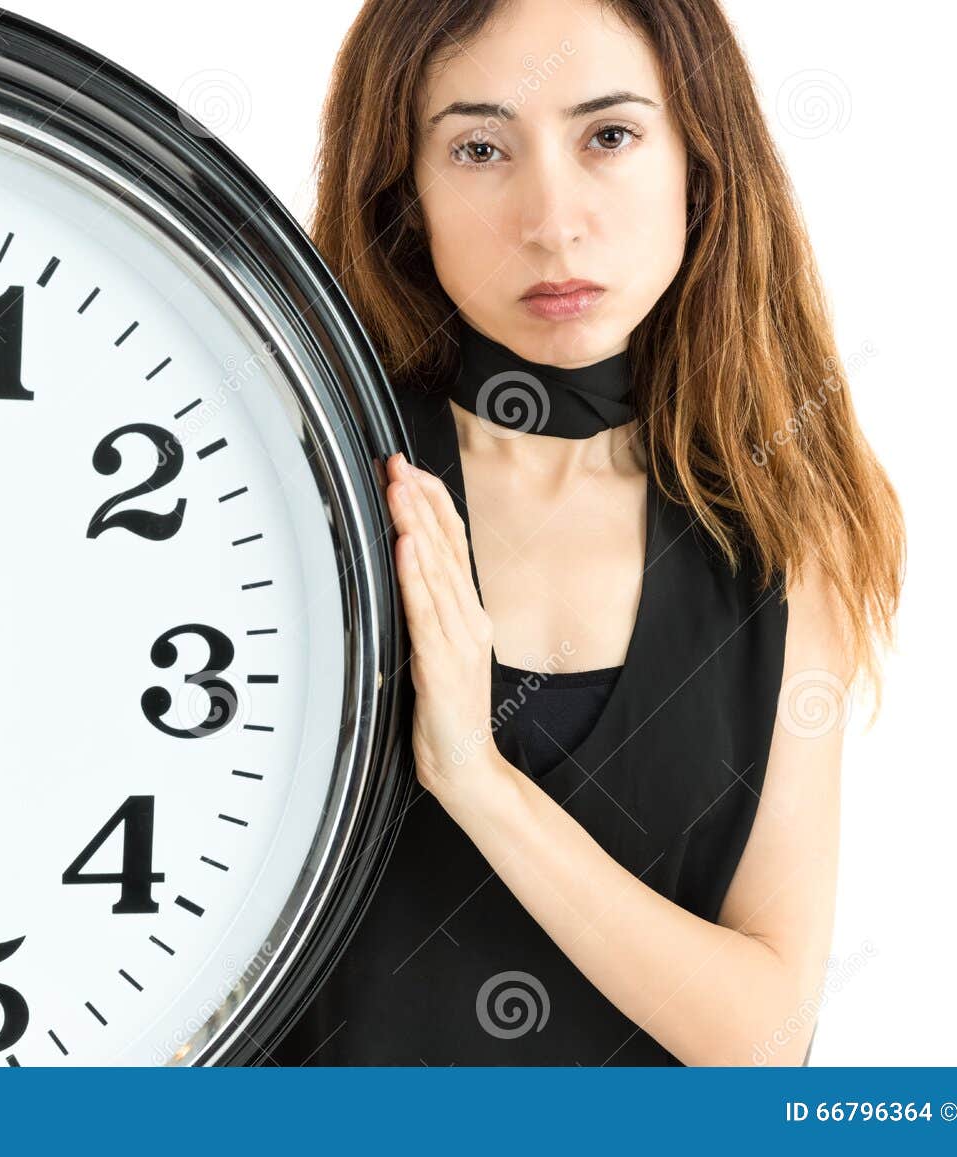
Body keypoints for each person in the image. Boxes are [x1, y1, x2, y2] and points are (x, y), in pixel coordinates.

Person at [264, 0, 906, 1066]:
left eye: (608, 136)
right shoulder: (293, 486)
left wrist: (479, 780)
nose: (551, 219)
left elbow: (764, 1040)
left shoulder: (782, 535)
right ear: (404, 194)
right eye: (478, 148)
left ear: (700, 162)